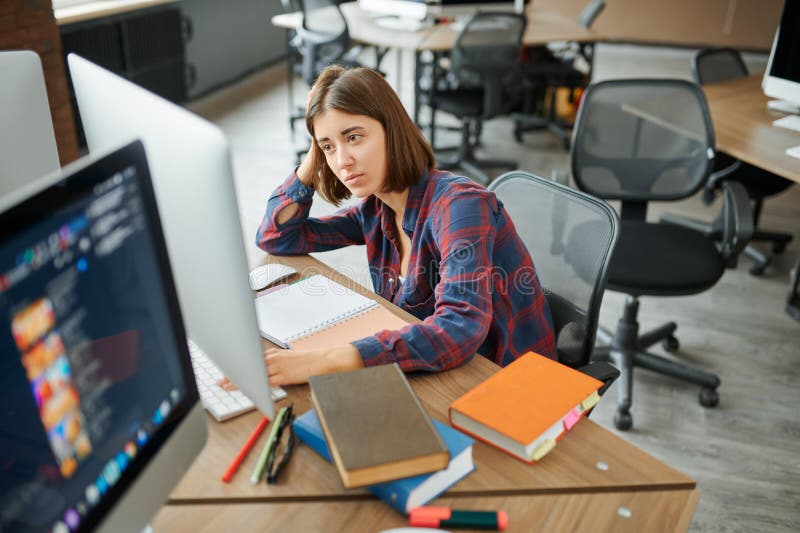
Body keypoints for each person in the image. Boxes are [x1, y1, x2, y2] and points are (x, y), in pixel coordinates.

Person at [256, 65, 555, 386]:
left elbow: (461, 326)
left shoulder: (461, 205)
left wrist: (329, 359)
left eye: (353, 137)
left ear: (392, 130)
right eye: (329, 147)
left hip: (509, 379)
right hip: (439, 368)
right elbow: (278, 237)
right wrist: (314, 155)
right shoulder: (376, 211)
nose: (342, 160)